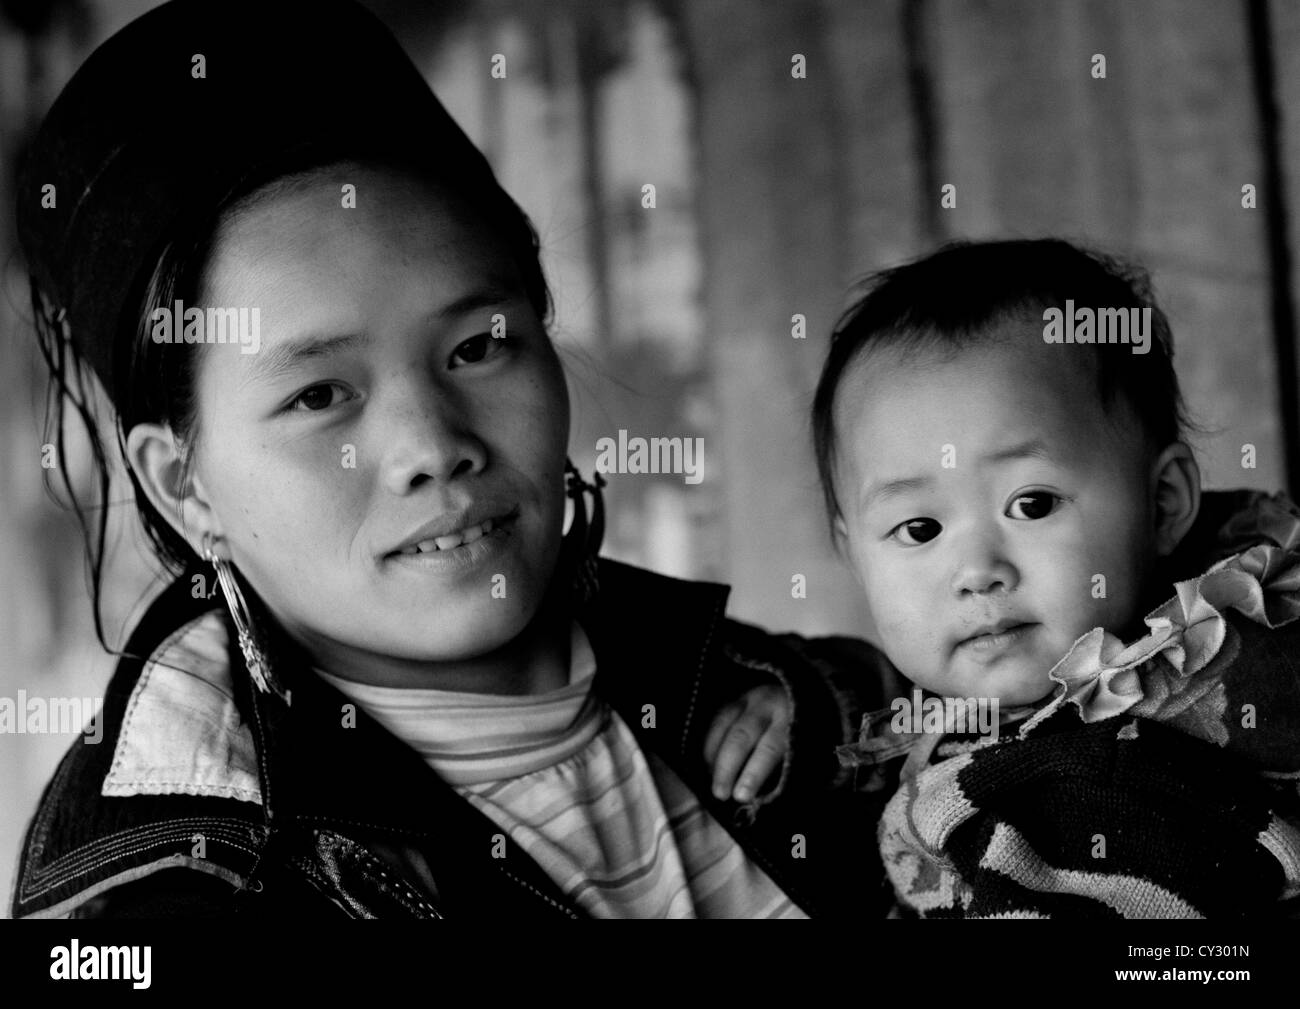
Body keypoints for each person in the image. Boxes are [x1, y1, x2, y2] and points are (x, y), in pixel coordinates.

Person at [9, 0, 900, 919]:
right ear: (181, 483)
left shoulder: (769, 697)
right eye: (318, 396)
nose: (433, 448)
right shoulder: (178, 901)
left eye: (477, 346)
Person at [812, 239, 1300, 917]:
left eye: (1032, 503)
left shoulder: (1251, 662)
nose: (979, 572)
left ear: (1160, 504)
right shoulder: (905, 750)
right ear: (853, 552)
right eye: (919, 529)